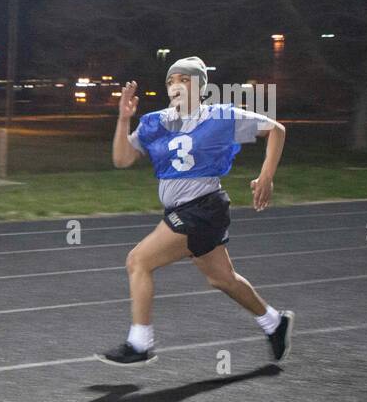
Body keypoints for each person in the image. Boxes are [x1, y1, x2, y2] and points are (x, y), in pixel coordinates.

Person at [101, 55, 292, 365]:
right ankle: (273, 322)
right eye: (170, 81)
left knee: (138, 261)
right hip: (187, 211)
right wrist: (124, 119)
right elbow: (122, 160)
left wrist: (266, 175)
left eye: (184, 80)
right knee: (223, 279)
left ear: (201, 87)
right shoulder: (156, 122)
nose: (176, 86)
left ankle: (140, 342)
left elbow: (276, 130)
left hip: (203, 208)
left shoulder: (221, 117)